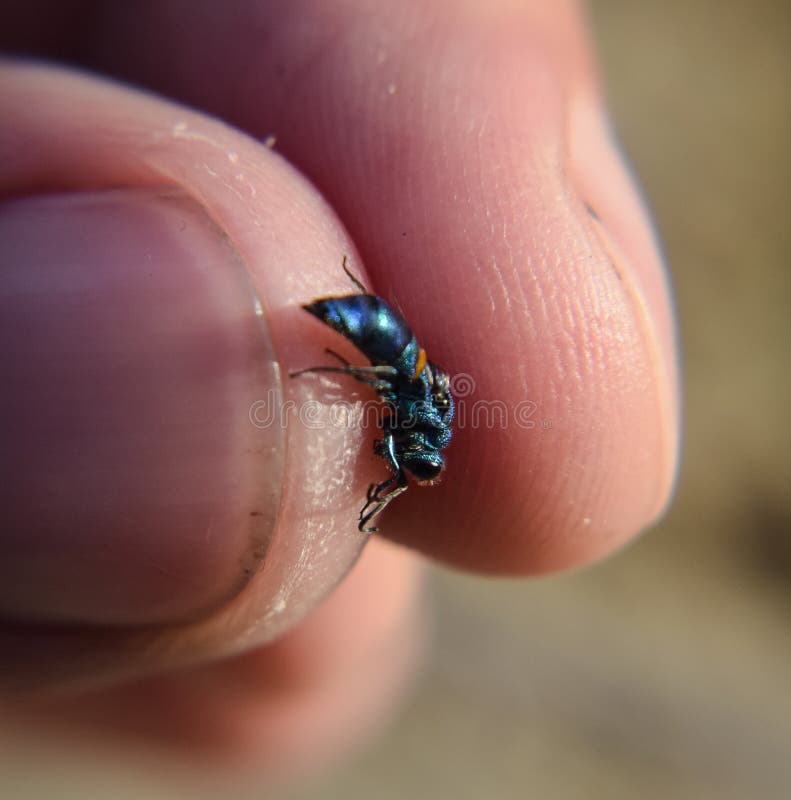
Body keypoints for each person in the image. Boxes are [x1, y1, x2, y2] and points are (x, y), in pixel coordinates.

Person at [0, 0, 679, 781]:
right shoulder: (418, 423)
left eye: (405, 475)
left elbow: (400, 422)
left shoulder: (419, 434)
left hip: (379, 340)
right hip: (374, 334)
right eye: (411, 473)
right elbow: (400, 405)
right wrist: (367, 388)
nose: (402, 475)